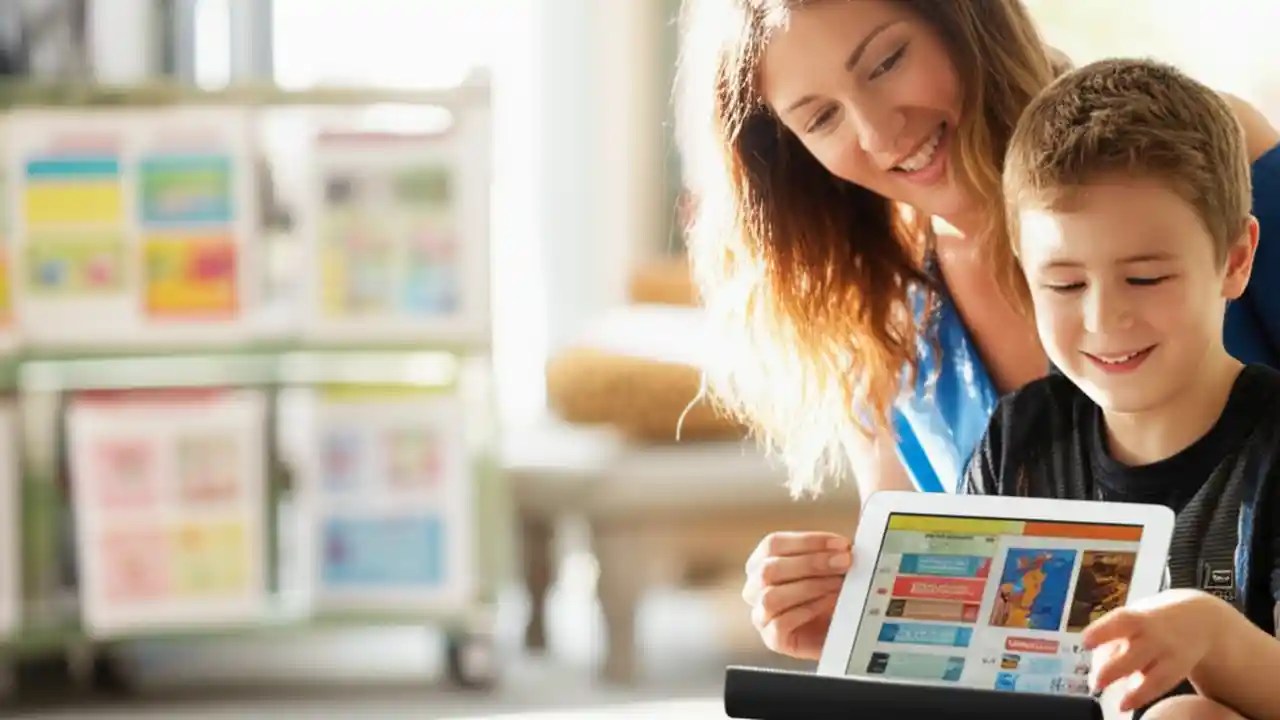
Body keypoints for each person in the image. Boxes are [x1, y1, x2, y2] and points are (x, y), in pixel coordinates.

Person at [673, 0, 1280, 660]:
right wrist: (846, 621)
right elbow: (961, 627)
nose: (879, 134)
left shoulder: (1203, 154)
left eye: (887, 61)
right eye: (821, 117)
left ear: (962, 20)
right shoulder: (880, 328)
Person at [963, 57, 1280, 720]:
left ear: (1236, 260)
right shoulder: (1020, 439)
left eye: (1145, 279)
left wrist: (1210, 637)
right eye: (1066, 285)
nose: (1105, 319)